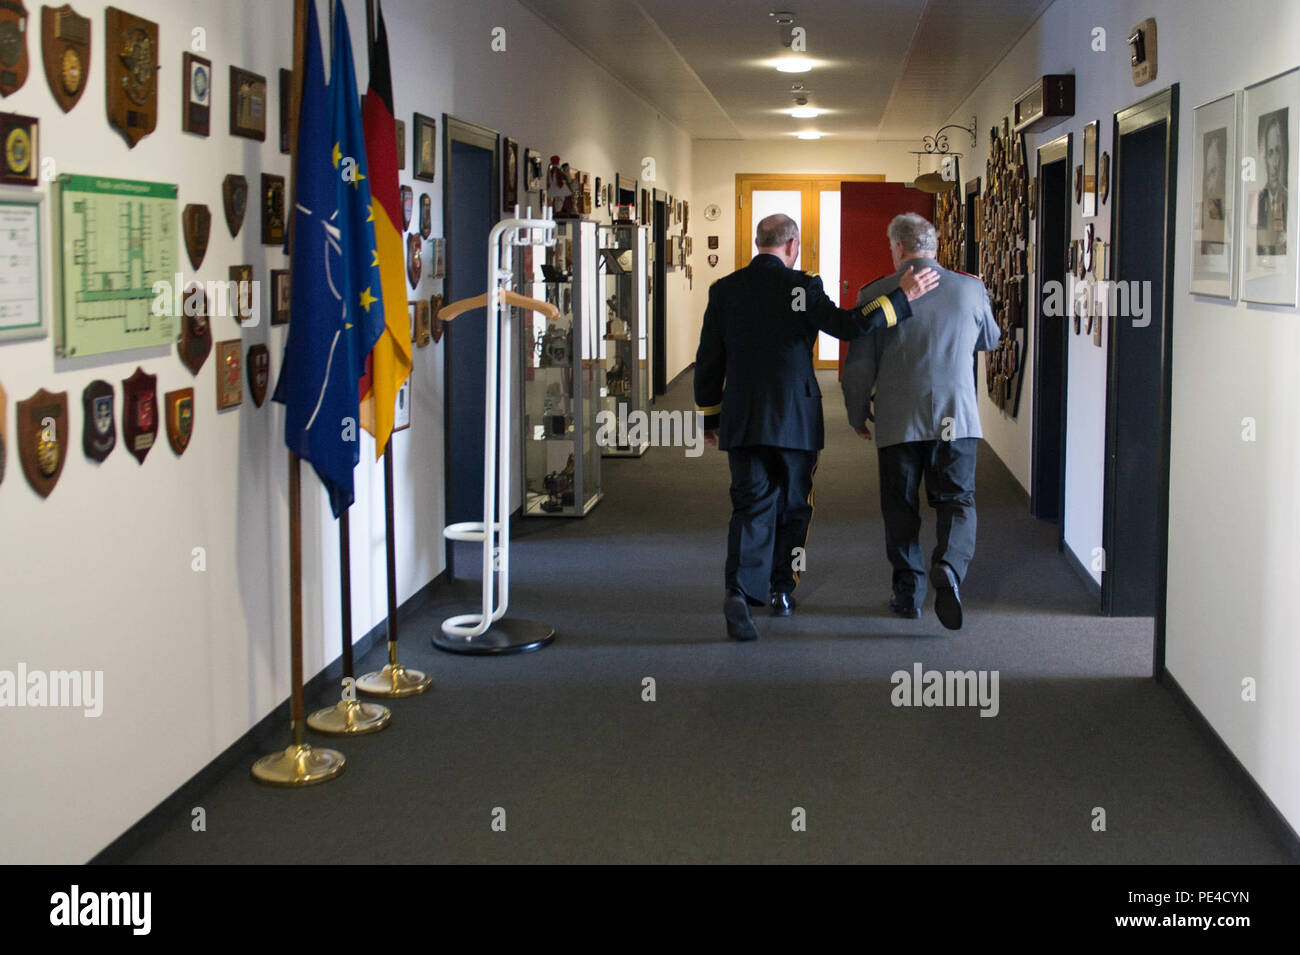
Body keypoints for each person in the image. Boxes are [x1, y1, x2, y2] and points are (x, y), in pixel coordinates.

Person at [695, 213, 939, 641]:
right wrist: (900, 298)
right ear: (792, 246)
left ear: (759, 243)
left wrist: (710, 418)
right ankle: (782, 590)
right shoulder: (802, 287)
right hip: (795, 420)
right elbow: (849, 326)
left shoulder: (725, 290)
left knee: (750, 506)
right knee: (794, 506)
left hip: (744, 419)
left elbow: (709, 360)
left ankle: (738, 592)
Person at [841, 213, 999, 630]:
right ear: (935, 246)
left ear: (898, 248)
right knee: (957, 501)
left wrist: (857, 413)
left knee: (900, 506)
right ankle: (948, 565)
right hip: (957, 418)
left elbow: (858, 366)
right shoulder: (970, 288)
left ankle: (907, 593)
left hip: (899, 422)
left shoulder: (877, 292)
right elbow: (991, 339)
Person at [1256, 112, 1288, 256]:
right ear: (1265, 159)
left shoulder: (1288, 198)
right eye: (1270, 153)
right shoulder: (1259, 200)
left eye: (1277, 151)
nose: (1275, 162)